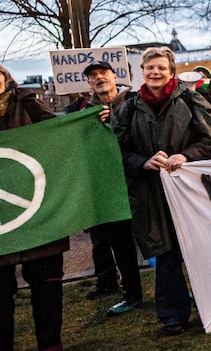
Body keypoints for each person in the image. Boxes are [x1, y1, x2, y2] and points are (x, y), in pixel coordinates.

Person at [112, 47, 211, 335]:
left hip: (189, 189)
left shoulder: (189, 99)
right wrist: (142, 162)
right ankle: (173, 315)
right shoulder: (129, 106)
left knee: (202, 248)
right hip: (150, 191)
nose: (155, 72)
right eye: (150, 68)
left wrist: (186, 155)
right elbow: (118, 150)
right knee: (165, 252)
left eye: (161, 68)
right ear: (143, 71)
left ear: (171, 71)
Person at [0, 64, 66, 351]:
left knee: (47, 286)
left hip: (38, 213)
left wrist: (91, 119)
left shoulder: (28, 103)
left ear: (5, 78)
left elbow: (61, 133)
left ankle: (50, 345)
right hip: (2, 222)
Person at [81, 61, 144, 317]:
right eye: (93, 76)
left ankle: (173, 287)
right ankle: (131, 293)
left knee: (157, 235)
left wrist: (115, 120)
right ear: (88, 83)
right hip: (110, 185)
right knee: (120, 242)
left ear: (115, 76)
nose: (99, 78)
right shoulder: (84, 112)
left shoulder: (136, 100)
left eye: (103, 73)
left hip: (139, 177)